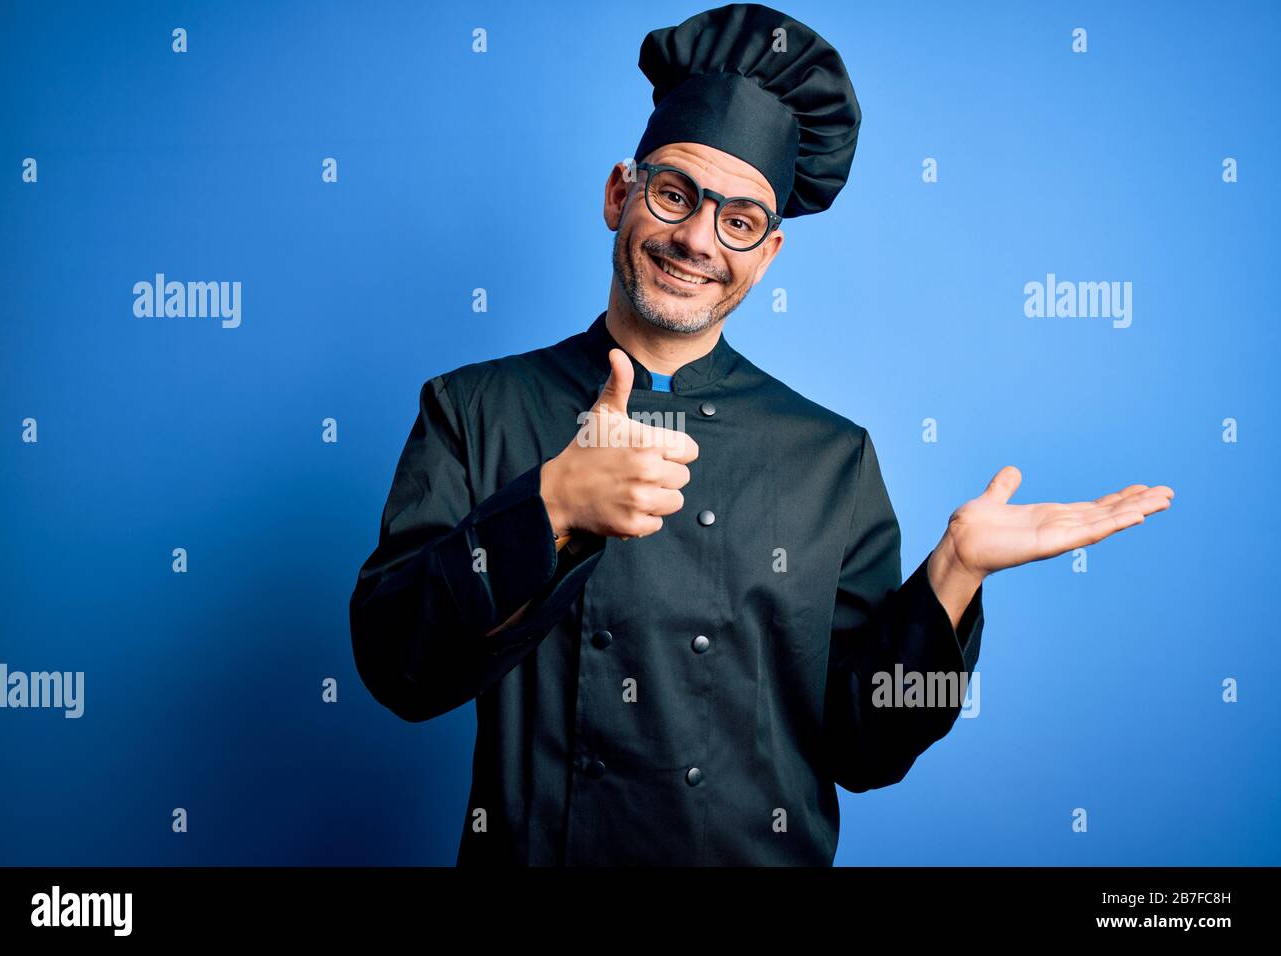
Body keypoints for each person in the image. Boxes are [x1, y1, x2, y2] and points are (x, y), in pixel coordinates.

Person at [348, 2, 1173, 866]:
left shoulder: (830, 459)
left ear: (767, 253)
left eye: (739, 221)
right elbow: (396, 670)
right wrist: (547, 508)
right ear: (620, 194)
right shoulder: (474, 408)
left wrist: (954, 576)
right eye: (674, 195)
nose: (697, 240)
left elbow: (866, 749)